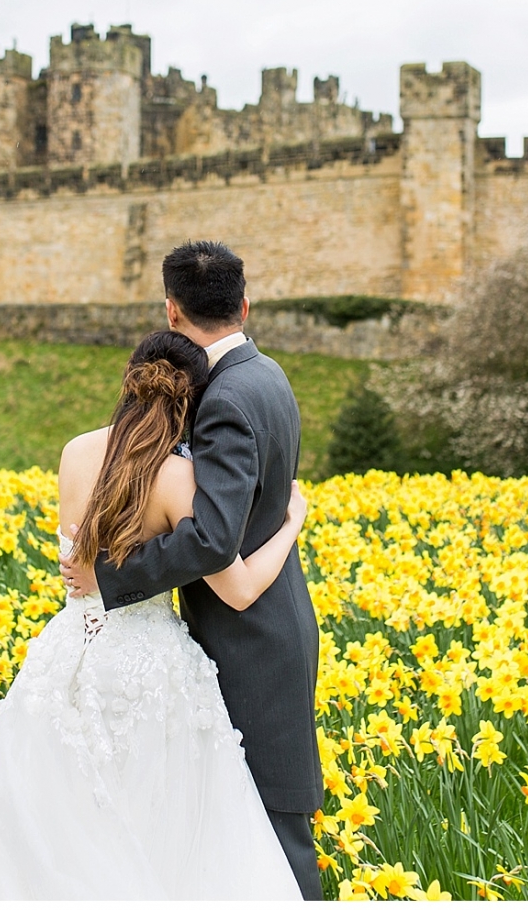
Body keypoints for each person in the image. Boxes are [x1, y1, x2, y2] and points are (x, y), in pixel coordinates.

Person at [0, 329, 307, 899]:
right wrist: (291, 526)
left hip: (71, 653)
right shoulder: (178, 478)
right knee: (161, 833)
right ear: (191, 402)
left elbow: (78, 558)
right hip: (151, 668)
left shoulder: (75, 452)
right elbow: (237, 590)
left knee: (54, 823)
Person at [62, 240, 324, 900]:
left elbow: (210, 539)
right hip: (261, 623)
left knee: (273, 837)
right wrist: (293, 524)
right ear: (244, 305)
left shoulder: (226, 397)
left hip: (251, 639)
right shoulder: (269, 375)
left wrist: (109, 579)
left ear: (171, 311)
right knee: (246, 833)